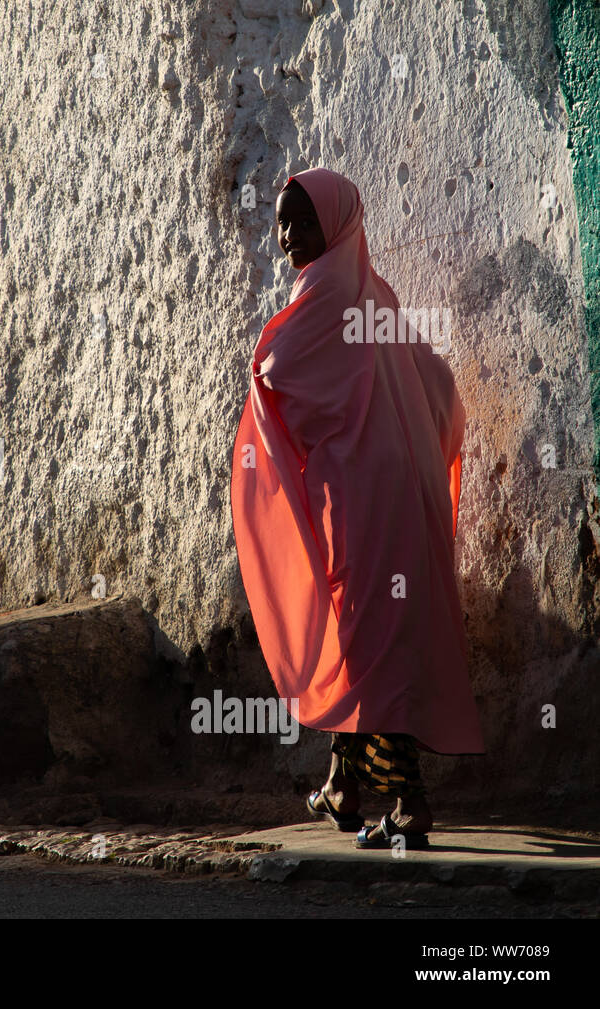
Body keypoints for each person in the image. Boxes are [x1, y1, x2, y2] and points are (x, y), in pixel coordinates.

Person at [230, 168, 484, 849]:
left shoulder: (323, 299)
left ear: (335, 225)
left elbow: (275, 369)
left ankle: (406, 801)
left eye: (303, 223)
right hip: (408, 490)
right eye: (283, 222)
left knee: (372, 644)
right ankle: (343, 785)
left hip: (365, 502)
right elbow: (437, 384)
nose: (289, 236)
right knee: (369, 630)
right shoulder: (376, 297)